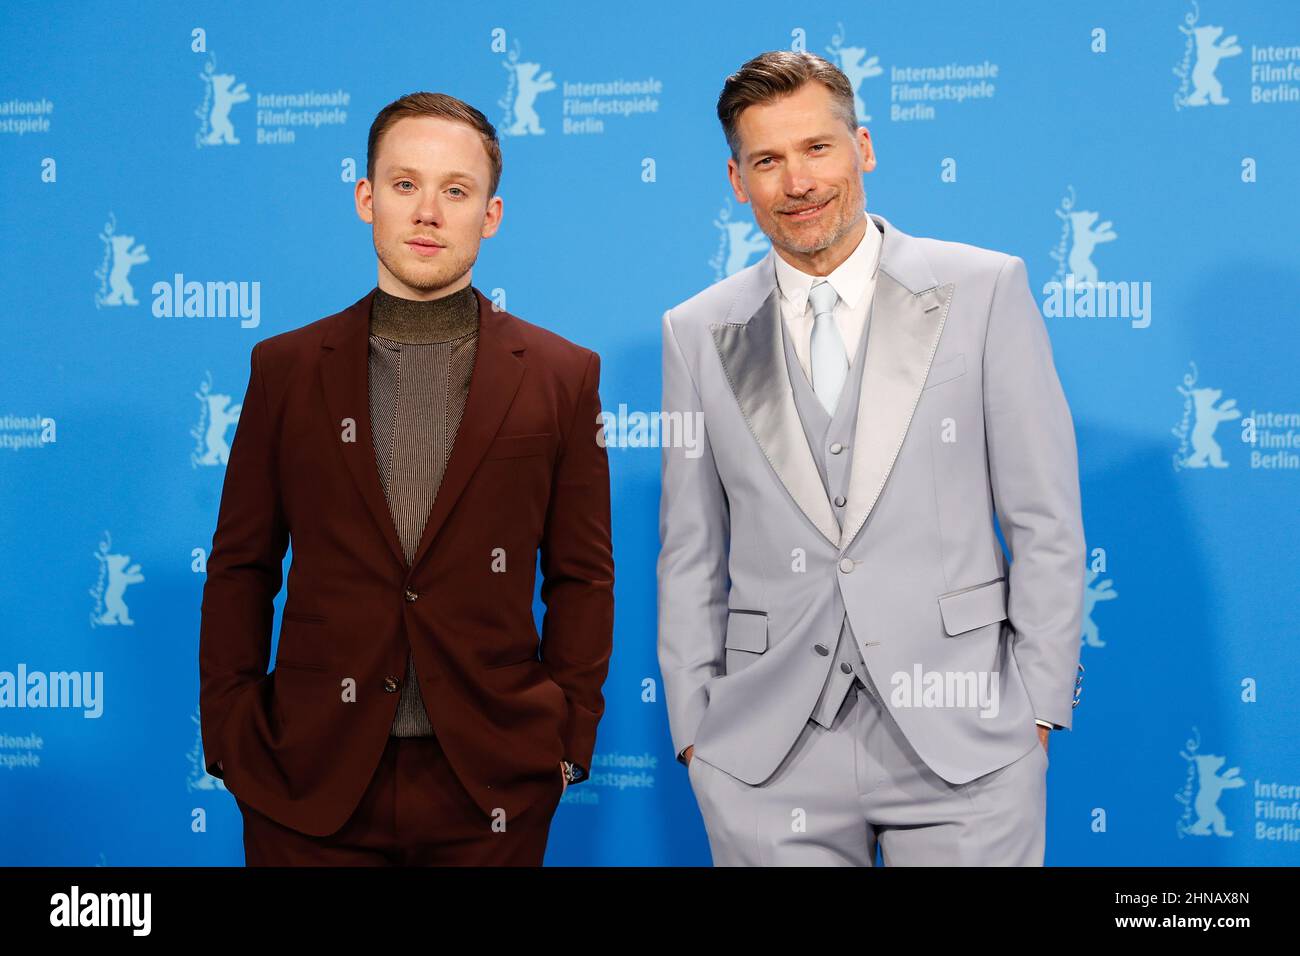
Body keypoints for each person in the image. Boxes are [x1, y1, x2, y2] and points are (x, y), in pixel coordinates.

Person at [657, 51, 1085, 866]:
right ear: (736, 179)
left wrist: (1035, 707)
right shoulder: (695, 330)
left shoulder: (985, 289)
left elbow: (1046, 519)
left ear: (864, 147)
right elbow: (689, 550)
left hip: (966, 741)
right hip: (766, 754)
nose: (798, 181)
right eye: (767, 161)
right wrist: (695, 730)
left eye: (818, 148)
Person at [199, 91, 614, 865]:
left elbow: (582, 577)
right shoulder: (285, 370)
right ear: (366, 198)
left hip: (491, 785)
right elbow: (241, 566)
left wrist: (564, 742)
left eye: (455, 191)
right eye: (404, 185)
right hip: (306, 780)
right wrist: (229, 734)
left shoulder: (562, 375)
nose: (428, 211)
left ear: (491, 214)